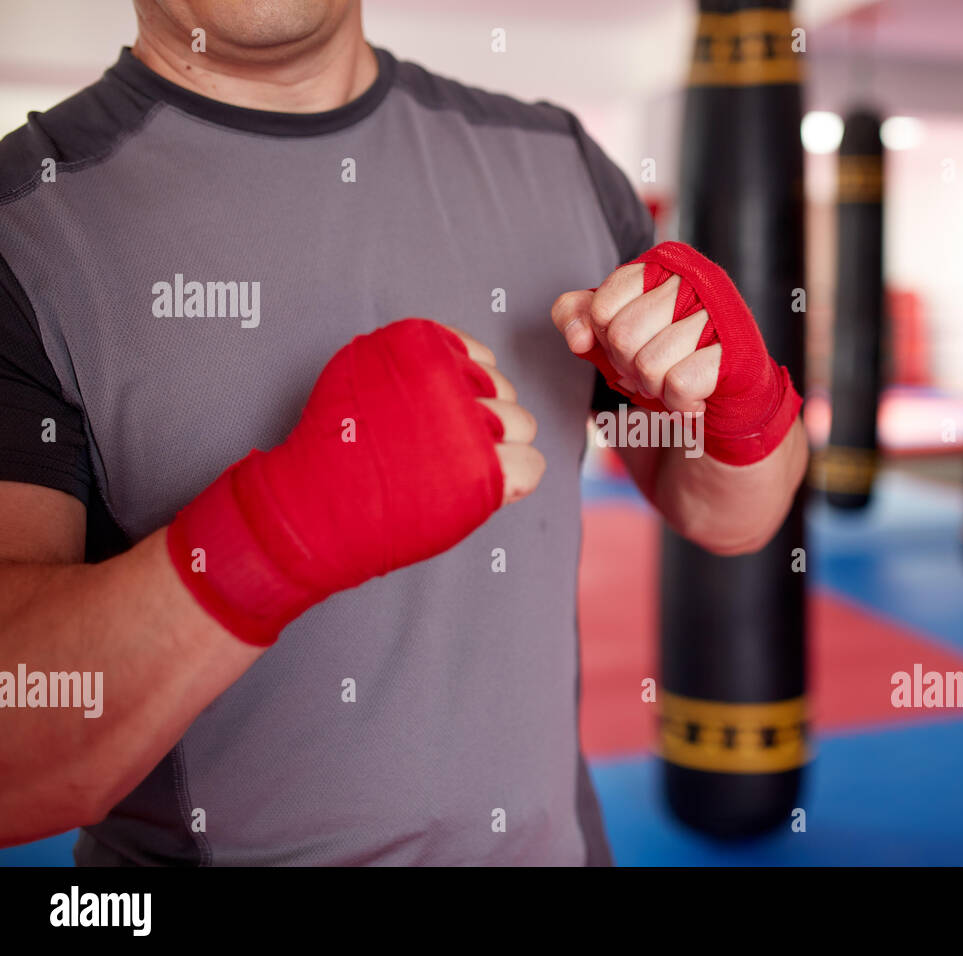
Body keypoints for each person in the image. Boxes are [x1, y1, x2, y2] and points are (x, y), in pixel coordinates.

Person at [0, 0, 807, 865]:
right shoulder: (29, 224)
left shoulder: (558, 162)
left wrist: (743, 404)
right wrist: (280, 530)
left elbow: (732, 517)